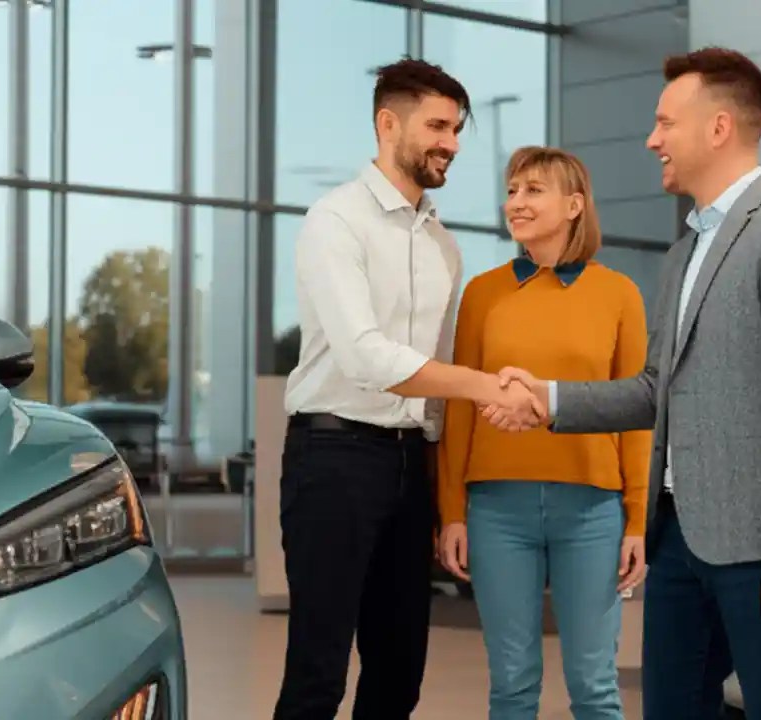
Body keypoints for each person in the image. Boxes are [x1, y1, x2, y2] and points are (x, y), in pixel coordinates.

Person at [483, 47, 761, 719]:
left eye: (665, 124)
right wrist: (549, 398)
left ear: (718, 127)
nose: (652, 139)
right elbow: (658, 388)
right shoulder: (685, 251)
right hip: (682, 538)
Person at [275, 58, 543, 720]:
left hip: (408, 463)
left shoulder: (444, 248)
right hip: (333, 459)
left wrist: (446, 495)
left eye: (456, 128)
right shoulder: (336, 220)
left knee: (399, 673)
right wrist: (488, 386)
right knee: (319, 672)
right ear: (387, 124)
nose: (451, 142)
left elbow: (435, 378)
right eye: (437, 126)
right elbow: (368, 356)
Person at [435, 145, 649, 720]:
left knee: (595, 685)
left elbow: (637, 411)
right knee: (510, 682)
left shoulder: (620, 294)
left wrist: (638, 518)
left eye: (533, 190)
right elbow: (459, 408)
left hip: (593, 508)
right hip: (496, 508)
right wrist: (452, 509)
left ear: (574, 204)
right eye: (511, 191)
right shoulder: (482, 293)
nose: (516, 203)